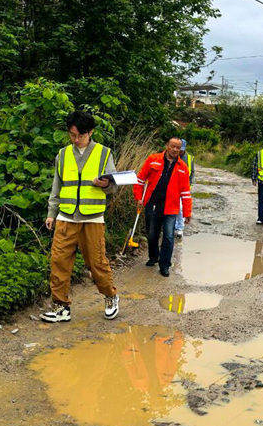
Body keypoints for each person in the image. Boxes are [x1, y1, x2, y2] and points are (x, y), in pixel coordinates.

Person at [42, 111, 120, 323]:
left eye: (80, 135)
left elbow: (113, 187)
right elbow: (56, 187)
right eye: (72, 135)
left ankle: (110, 296)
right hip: (66, 216)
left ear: (90, 132)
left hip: (92, 218)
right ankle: (61, 307)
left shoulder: (104, 153)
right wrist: (52, 214)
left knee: (96, 263)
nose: (76, 139)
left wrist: (106, 185)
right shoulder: (63, 154)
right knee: (59, 261)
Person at [134, 137, 192, 277]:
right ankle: (153, 257)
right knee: (152, 234)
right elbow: (140, 179)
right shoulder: (153, 159)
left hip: (171, 208)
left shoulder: (183, 168)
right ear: (167, 146)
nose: (175, 149)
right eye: (172, 146)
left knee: (169, 237)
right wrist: (138, 197)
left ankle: (165, 265)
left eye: (178, 147)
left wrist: (187, 212)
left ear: (181, 149)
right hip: (152, 205)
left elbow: (185, 192)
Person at [174, 139, 194, 238]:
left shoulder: (189, 158)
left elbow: (192, 173)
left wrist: (188, 185)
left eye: (181, 149)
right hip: (173, 186)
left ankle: (179, 229)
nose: (179, 151)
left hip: (184, 187)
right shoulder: (172, 156)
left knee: (181, 208)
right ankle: (172, 226)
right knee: (173, 207)